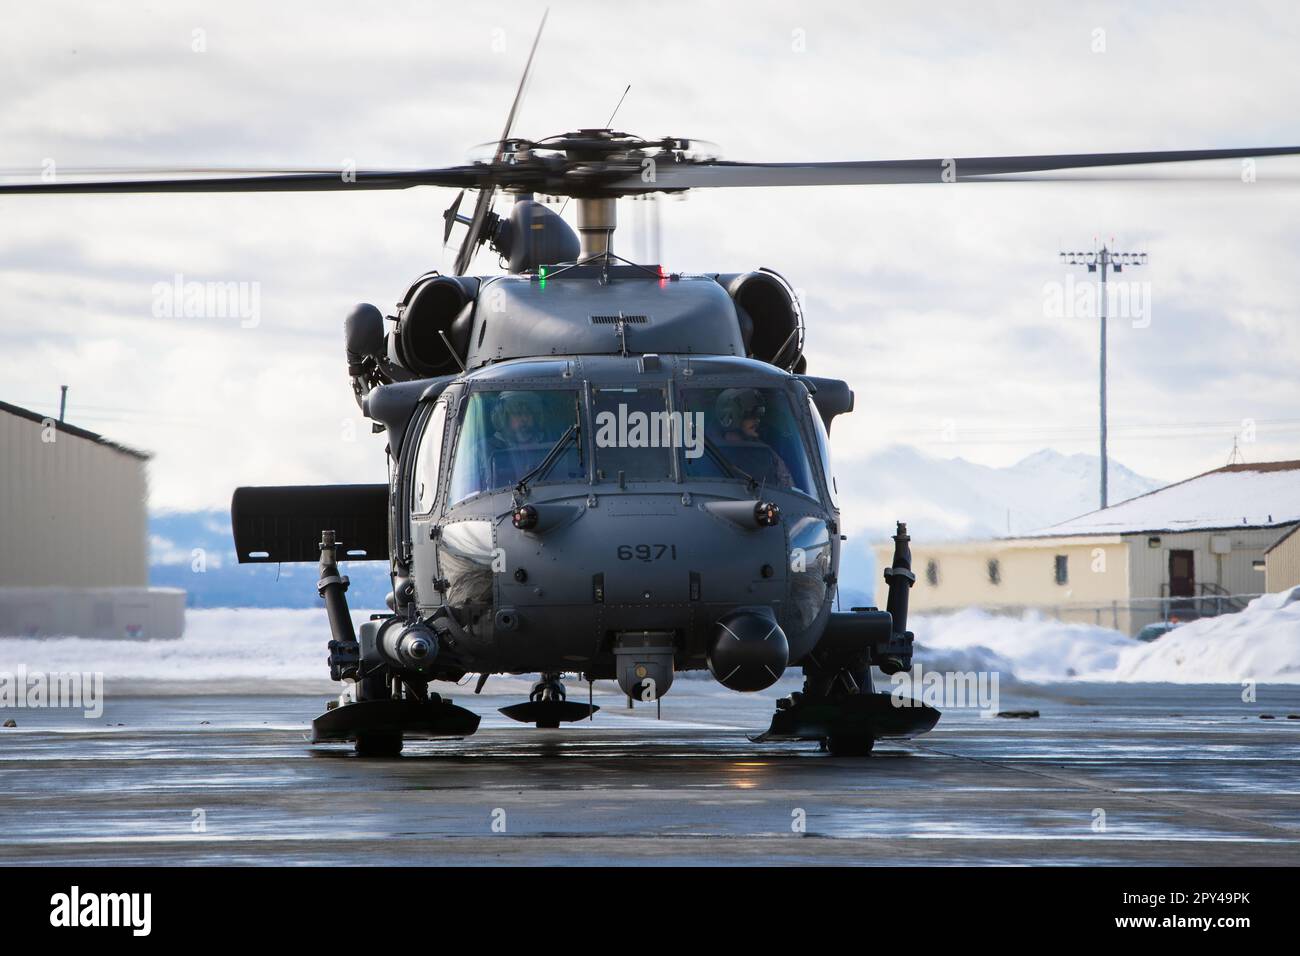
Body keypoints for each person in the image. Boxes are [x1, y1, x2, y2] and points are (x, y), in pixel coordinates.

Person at [712, 388, 793, 488]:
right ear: (731, 417)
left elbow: (786, 487)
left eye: (758, 416)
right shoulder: (708, 452)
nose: (757, 421)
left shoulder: (766, 453)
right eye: (750, 416)